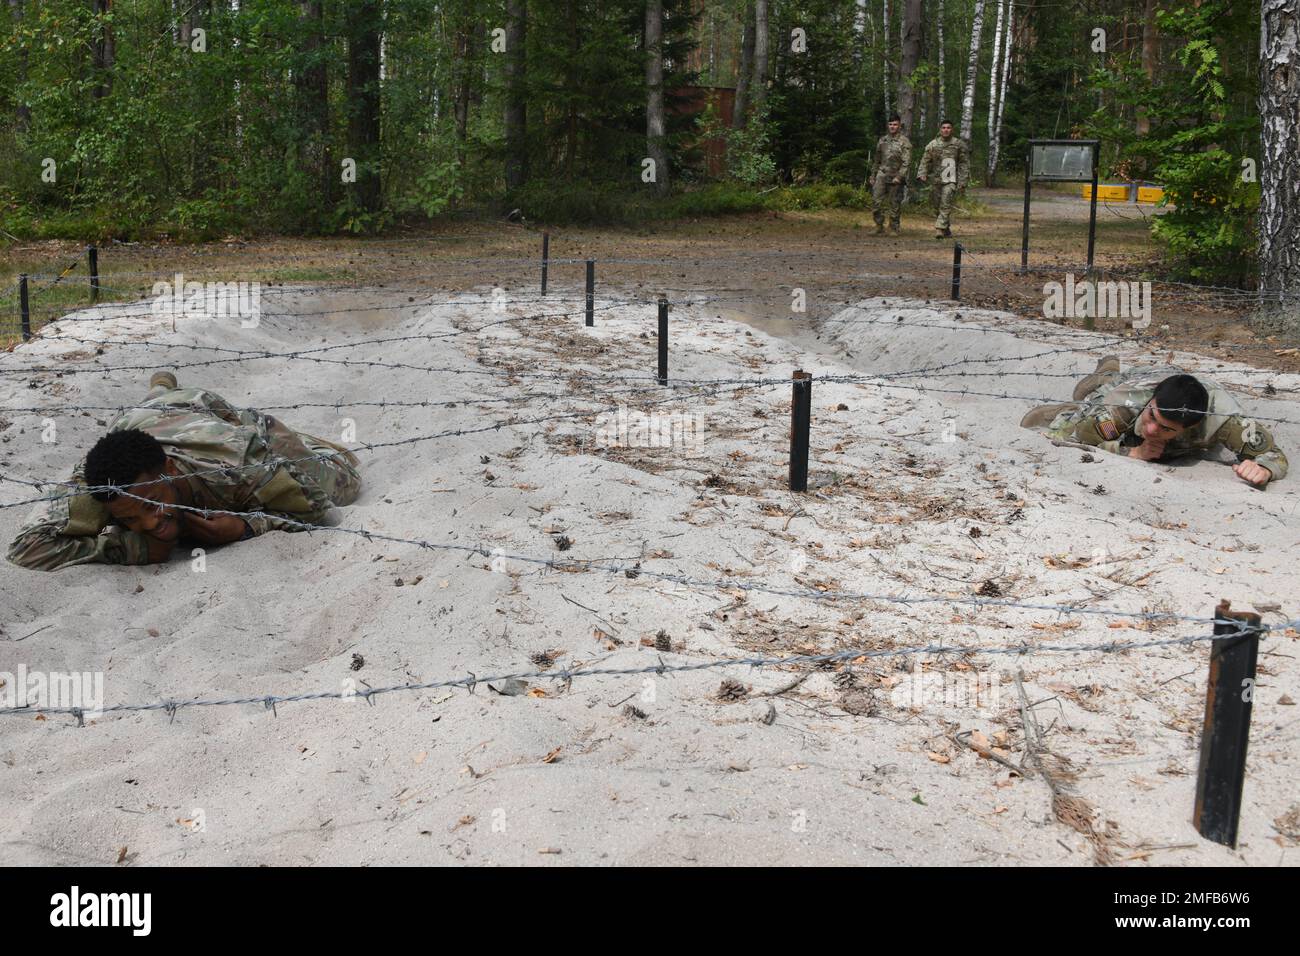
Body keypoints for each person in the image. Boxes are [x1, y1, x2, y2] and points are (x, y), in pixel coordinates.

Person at [7, 373, 363, 571]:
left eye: (150, 505)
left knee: (345, 484)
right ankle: (161, 389)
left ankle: (293, 438)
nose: (149, 525)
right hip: (141, 419)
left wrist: (246, 526)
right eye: (130, 520)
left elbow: (321, 515)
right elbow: (26, 547)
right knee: (153, 403)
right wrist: (133, 547)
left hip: (214, 416)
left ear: (171, 471)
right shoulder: (103, 483)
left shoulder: (239, 462)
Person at [1020, 357, 1288, 487]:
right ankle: (1104, 377)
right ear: (1151, 404)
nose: (1151, 430)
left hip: (1188, 392)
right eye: (1152, 417)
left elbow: (1271, 453)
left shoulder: (1224, 421)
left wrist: (1264, 469)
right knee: (1085, 401)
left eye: (1165, 428)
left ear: (1192, 427)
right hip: (1141, 380)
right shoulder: (1129, 402)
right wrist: (1129, 451)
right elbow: (1075, 437)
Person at [916, 120, 970, 239]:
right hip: (936, 180)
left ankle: (939, 229)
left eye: (948, 128)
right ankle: (946, 228)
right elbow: (925, 160)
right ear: (940, 130)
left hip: (951, 180)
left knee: (946, 203)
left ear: (952, 130)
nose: (946, 130)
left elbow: (964, 164)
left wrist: (962, 181)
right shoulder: (933, 145)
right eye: (944, 128)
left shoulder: (958, 145)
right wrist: (922, 173)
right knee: (936, 205)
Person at [870, 114, 912, 236]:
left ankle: (894, 228)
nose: (892, 127)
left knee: (894, 204)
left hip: (896, 176)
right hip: (882, 174)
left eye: (895, 124)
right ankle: (879, 226)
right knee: (876, 201)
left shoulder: (904, 142)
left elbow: (906, 162)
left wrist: (900, 177)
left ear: (899, 126)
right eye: (890, 124)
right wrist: (873, 175)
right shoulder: (882, 140)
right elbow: (877, 159)